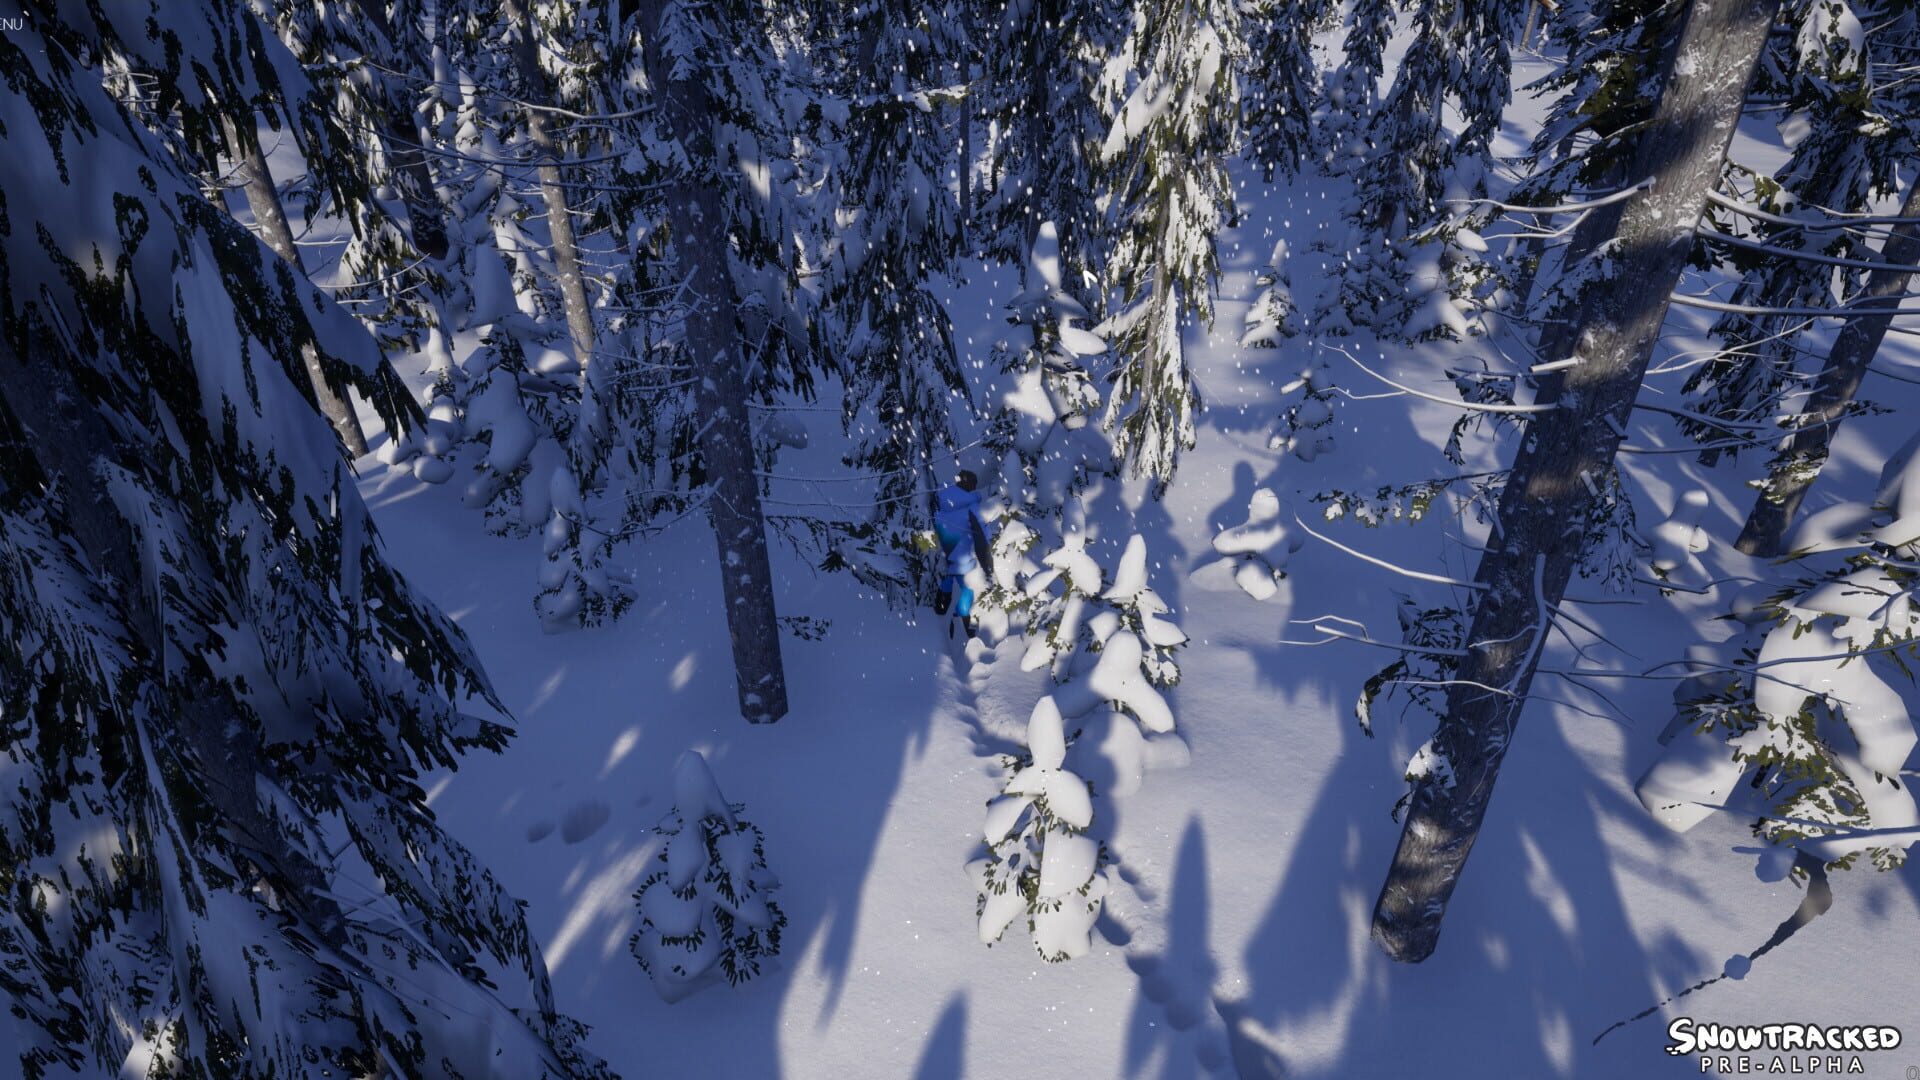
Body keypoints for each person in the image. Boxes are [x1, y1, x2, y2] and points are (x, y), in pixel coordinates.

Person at [931, 470, 995, 636]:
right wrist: (988, 566)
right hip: (964, 558)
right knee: (968, 591)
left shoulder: (941, 500)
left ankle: (940, 609)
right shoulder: (972, 507)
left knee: (947, 580)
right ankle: (963, 626)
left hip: (945, 554)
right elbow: (982, 538)